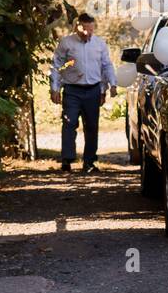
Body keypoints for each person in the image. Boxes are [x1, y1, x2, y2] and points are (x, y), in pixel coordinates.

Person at [49, 13, 117, 173]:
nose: (87, 33)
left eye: (91, 30)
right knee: (69, 122)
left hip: (93, 90)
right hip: (72, 90)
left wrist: (109, 86)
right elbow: (57, 65)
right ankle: (67, 159)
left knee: (92, 126)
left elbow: (106, 65)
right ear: (76, 27)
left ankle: (89, 162)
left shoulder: (100, 44)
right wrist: (55, 88)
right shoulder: (66, 43)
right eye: (84, 29)